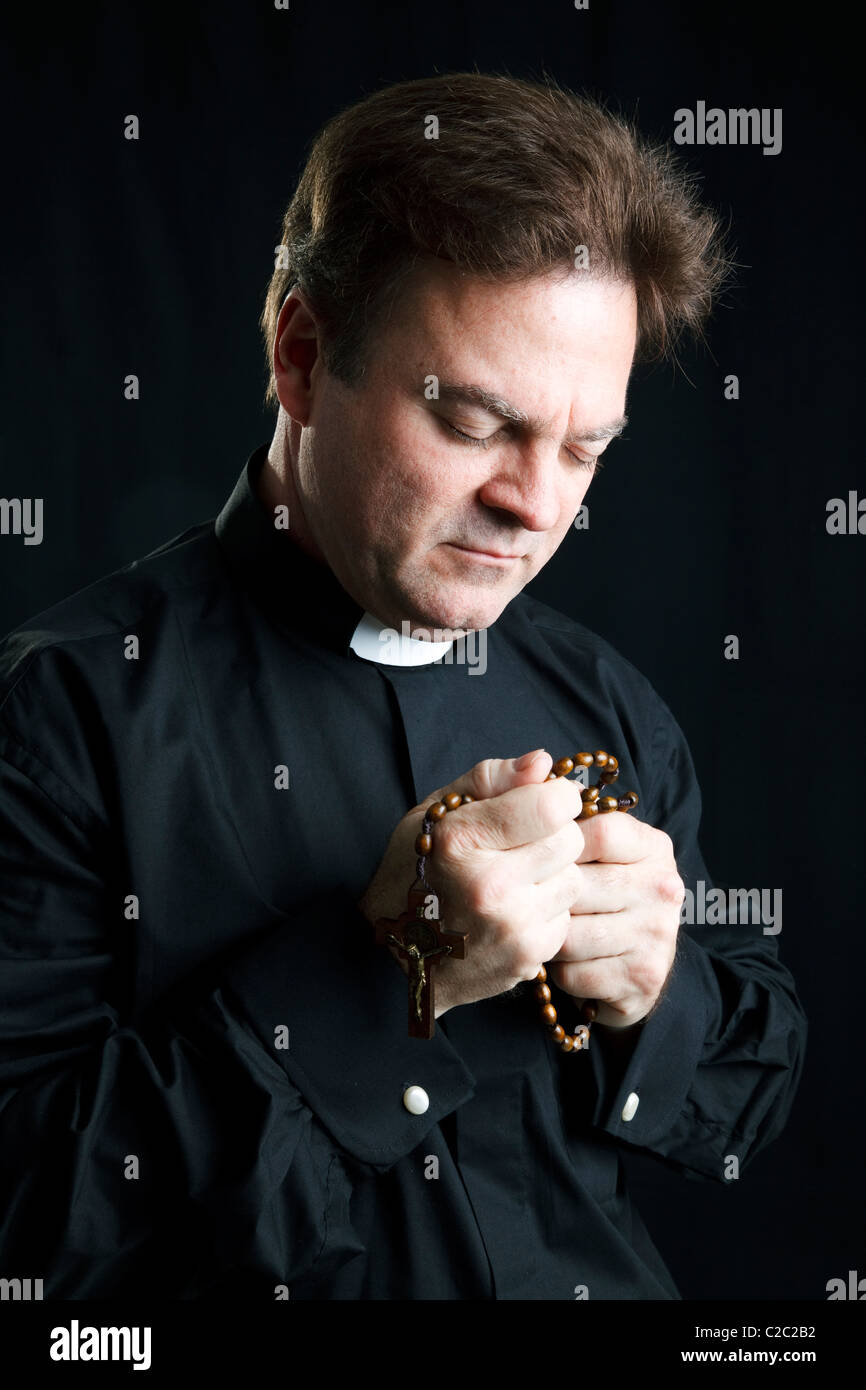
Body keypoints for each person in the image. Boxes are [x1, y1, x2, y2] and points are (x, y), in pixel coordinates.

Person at [0, 71, 806, 1301]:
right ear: (302, 355)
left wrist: (657, 987)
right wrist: (383, 971)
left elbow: (739, 1107)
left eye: (583, 447)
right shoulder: (56, 719)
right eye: (476, 424)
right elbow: (31, 1226)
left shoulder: (607, 699)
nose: (536, 505)